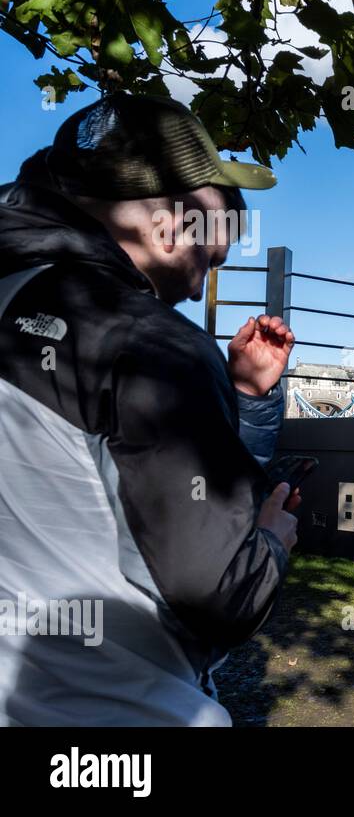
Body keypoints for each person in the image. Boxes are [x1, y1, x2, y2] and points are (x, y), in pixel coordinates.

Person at [0, 93, 298, 725]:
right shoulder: (153, 344)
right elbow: (218, 591)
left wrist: (241, 400)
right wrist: (272, 540)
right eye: (207, 257)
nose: (196, 288)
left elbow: (95, 485)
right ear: (173, 218)